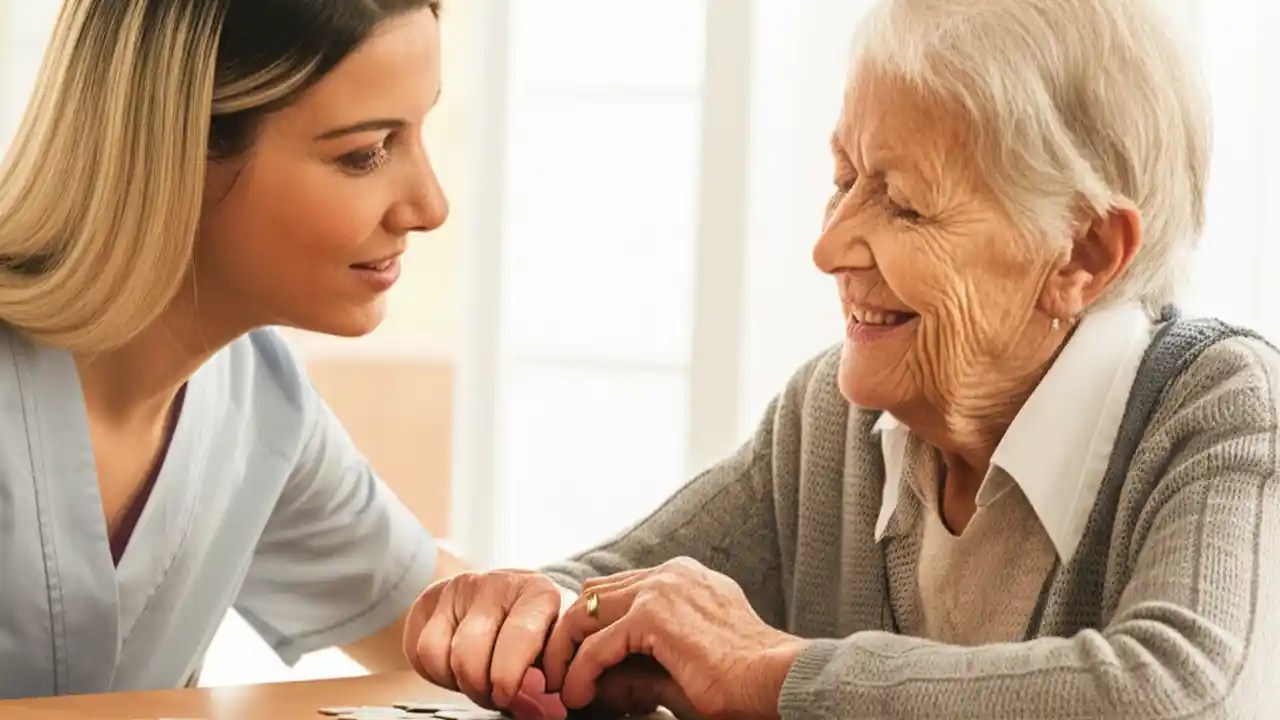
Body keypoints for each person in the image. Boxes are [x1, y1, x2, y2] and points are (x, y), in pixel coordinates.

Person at [403, 0, 1280, 717]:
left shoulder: (1218, 405)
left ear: (1084, 255)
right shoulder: (836, 419)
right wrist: (530, 612)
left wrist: (772, 674)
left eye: (903, 205)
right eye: (843, 178)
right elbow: (631, 591)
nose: (828, 247)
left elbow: (1173, 695)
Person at [0, 0, 477, 701]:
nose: (430, 206)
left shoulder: (260, 401)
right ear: (170, 145)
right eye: (365, 153)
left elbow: (453, 625)